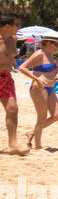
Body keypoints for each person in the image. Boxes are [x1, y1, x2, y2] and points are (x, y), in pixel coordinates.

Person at [17, 33, 58, 151]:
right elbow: (22, 67)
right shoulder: (39, 54)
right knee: (42, 117)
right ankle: (38, 147)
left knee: (57, 115)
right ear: (48, 43)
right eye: (57, 44)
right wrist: (36, 79)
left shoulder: (50, 55)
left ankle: (31, 133)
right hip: (38, 88)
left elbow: (49, 73)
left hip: (50, 88)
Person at [0, 15, 22, 154]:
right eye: (16, 25)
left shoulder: (14, 39)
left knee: (12, 109)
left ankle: (13, 145)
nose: (18, 28)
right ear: (7, 26)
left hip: (6, 77)